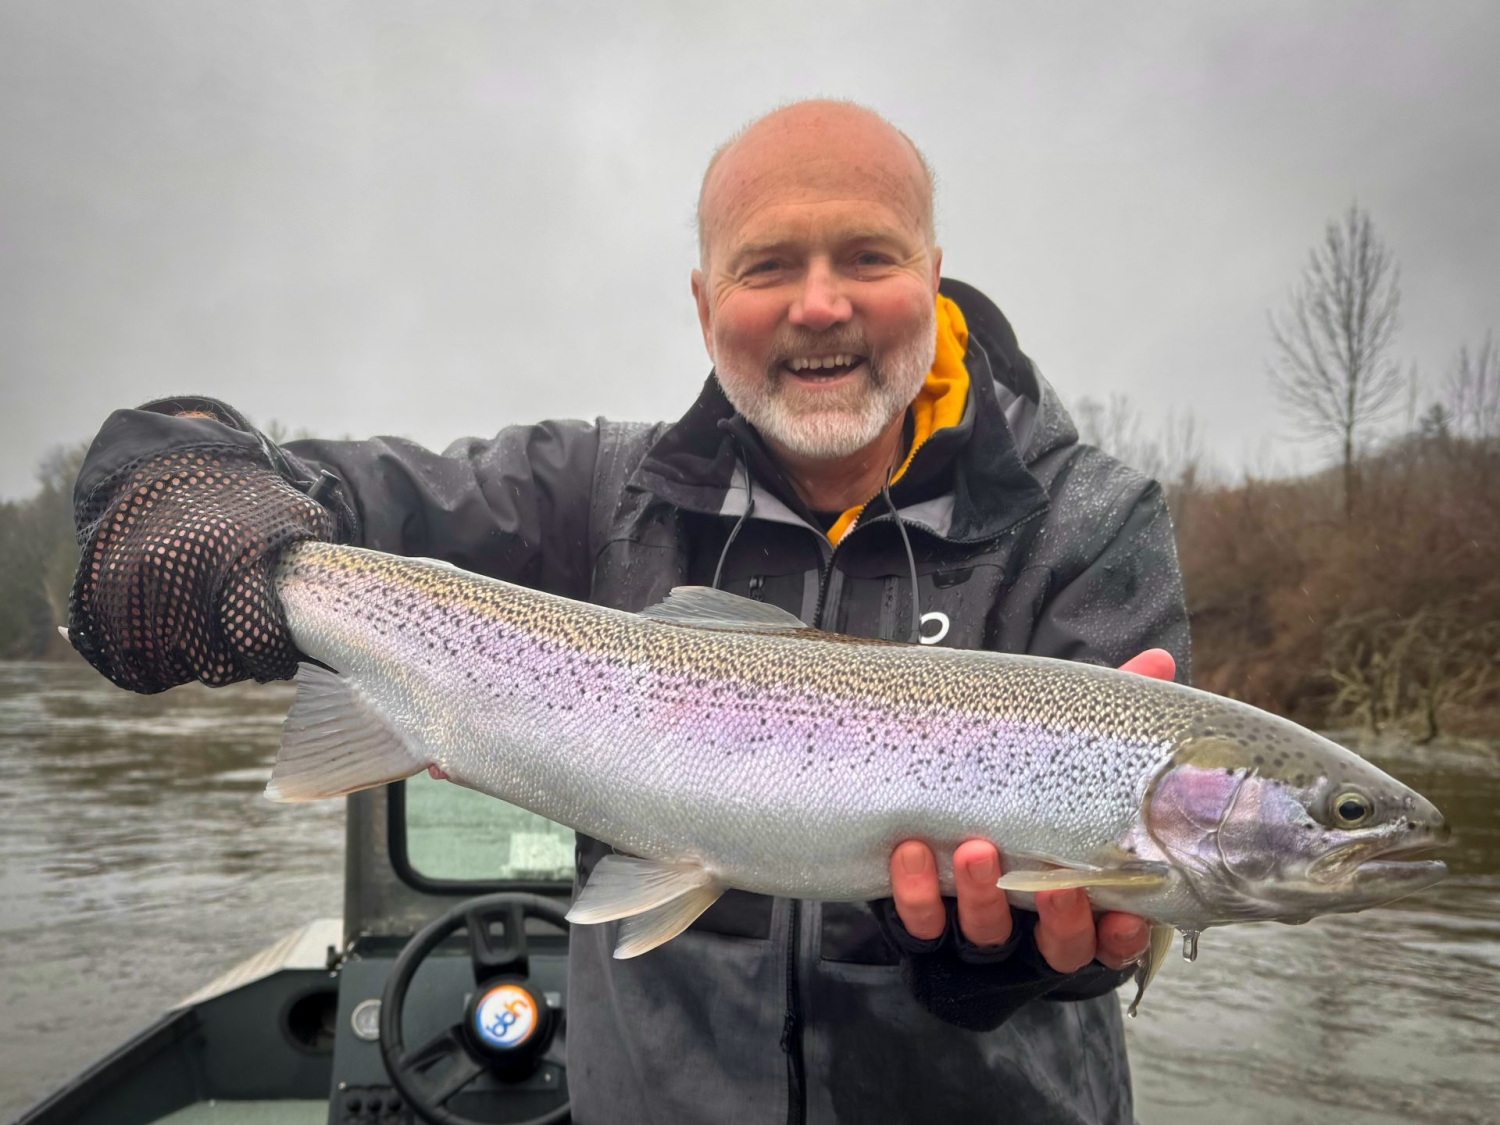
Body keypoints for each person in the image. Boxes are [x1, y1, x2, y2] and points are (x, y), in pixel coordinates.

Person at [68, 100, 1190, 1124]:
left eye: (868, 256)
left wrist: (1030, 961)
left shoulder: (1087, 520)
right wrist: (188, 481)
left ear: (933, 274)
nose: (819, 305)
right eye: (767, 266)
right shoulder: (594, 495)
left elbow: (1110, 927)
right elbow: (325, 488)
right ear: (704, 305)